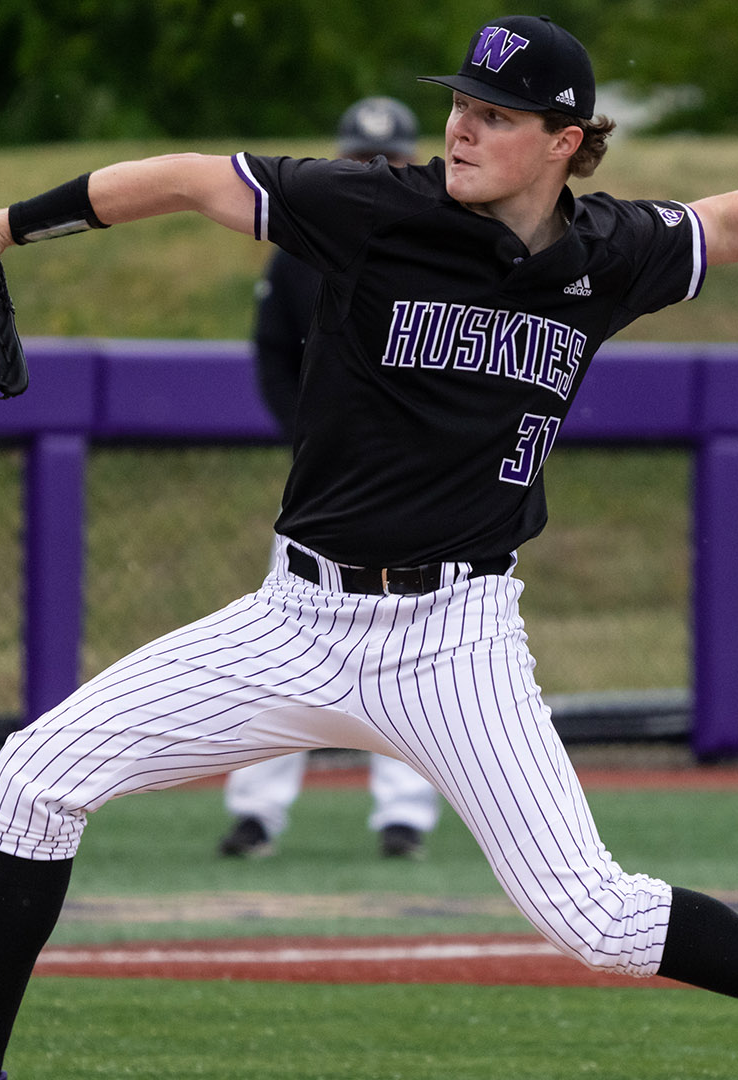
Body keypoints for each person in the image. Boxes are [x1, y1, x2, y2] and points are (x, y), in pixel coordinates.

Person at [0, 15, 738, 1080]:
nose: (462, 125)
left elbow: (732, 220)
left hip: (456, 642)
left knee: (597, 920)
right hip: (294, 623)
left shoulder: (607, 253)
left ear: (567, 141)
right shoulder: (376, 210)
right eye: (461, 102)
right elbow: (194, 179)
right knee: (36, 781)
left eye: (496, 113)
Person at [221, 94, 442, 861]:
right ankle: (256, 812)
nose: (376, 172)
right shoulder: (301, 246)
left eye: (391, 159)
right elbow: (272, 355)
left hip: (423, 487)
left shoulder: (445, 247)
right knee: (280, 650)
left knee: (420, 655)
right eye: (360, 159)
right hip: (324, 487)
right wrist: (309, 440)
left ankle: (404, 816)